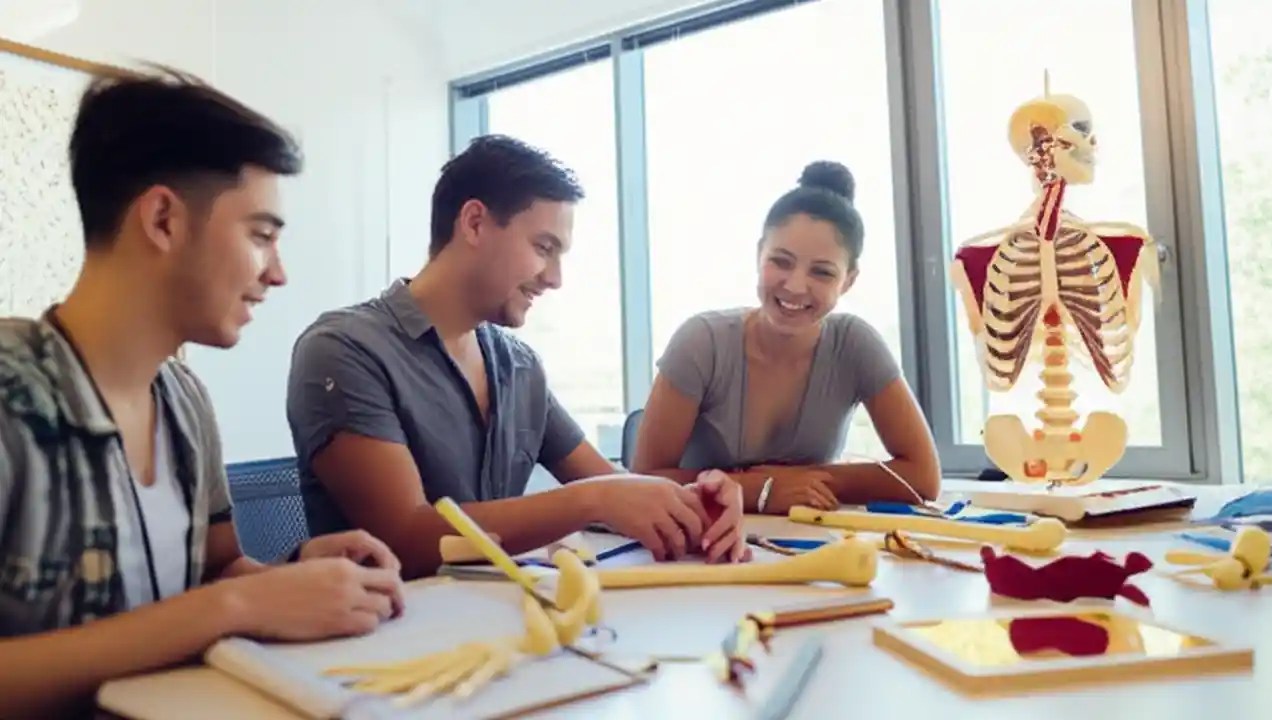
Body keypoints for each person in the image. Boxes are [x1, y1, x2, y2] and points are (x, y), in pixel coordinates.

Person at [0, 68, 406, 719]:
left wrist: (290, 578)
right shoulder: (11, 394)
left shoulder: (184, 399)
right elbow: (215, 602)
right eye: (261, 234)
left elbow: (214, 574)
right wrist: (231, 607)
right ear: (162, 218)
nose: (278, 272)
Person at [286, 134, 748, 579]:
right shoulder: (345, 350)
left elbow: (608, 484)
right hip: (381, 640)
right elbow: (406, 538)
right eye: (544, 248)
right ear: (474, 223)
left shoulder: (519, 366)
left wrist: (688, 505)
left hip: (500, 626)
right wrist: (593, 500)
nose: (555, 278)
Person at [631, 161, 941, 514]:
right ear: (758, 255)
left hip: (799, 543)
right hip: (699, 548)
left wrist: (801, 480)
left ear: (849, 281)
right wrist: (760, 489)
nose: (795, 286)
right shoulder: (702, 342)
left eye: (822, 272)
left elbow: (923, 477)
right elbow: (643, 480)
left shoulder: (855, 345)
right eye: (780, 262)